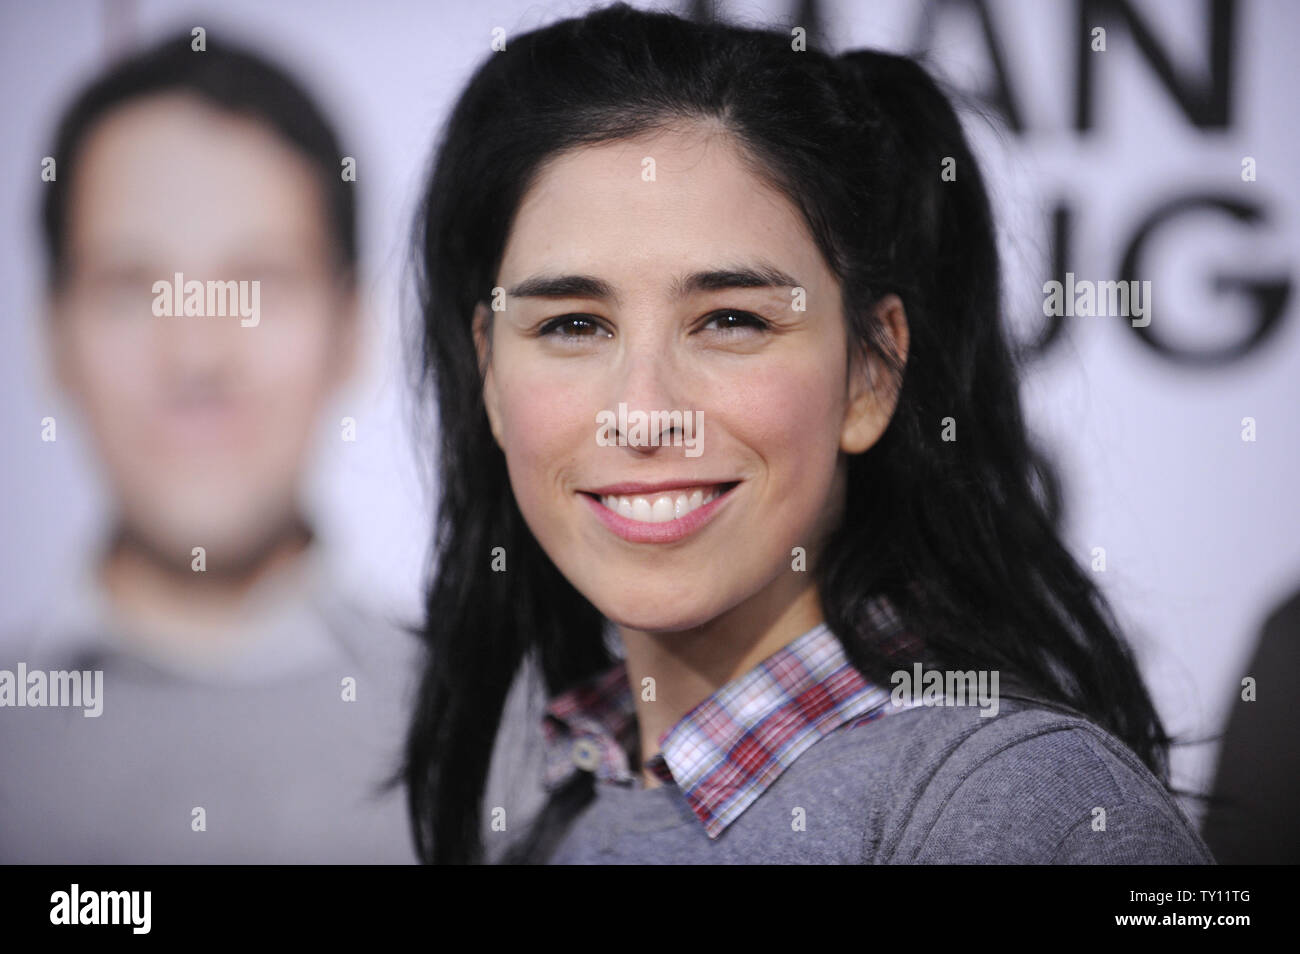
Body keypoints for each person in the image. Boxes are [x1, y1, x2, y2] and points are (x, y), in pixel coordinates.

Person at [401, 2, 1214, 864]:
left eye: (731, 320)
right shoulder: (559, 817)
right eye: (572, 325)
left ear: (870, 374)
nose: (642, 412)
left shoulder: (1015, 802)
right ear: (489, 372)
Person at [0, 32, 420, 863]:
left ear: (351, 333)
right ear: (52, 338)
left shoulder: (507, 742)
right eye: (131, 286)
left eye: (259, 282)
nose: (195, 355)